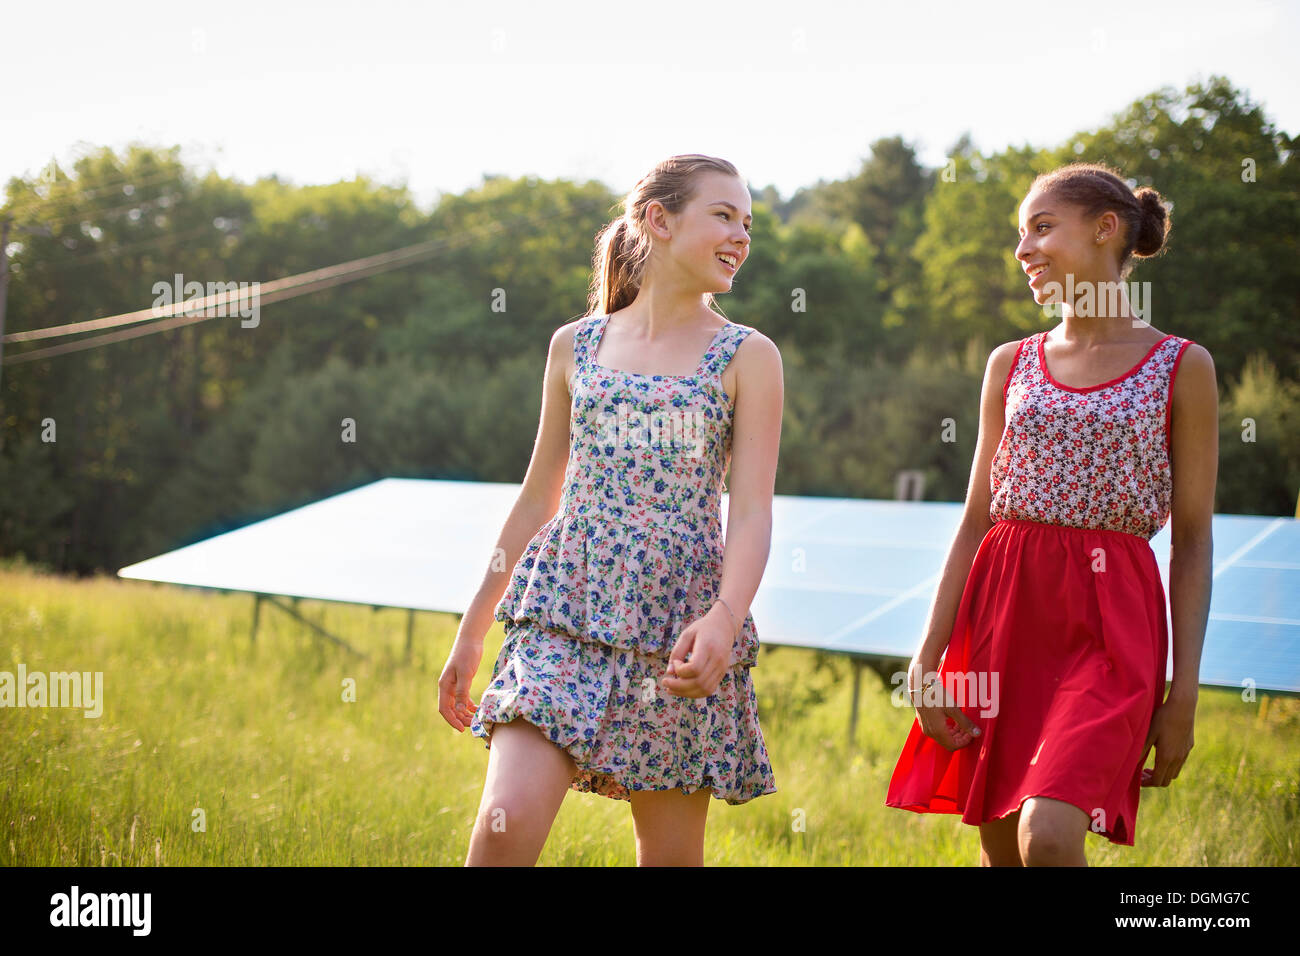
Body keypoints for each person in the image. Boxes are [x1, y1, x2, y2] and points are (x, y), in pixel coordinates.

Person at [438, 154, 784, 866]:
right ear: (658, 219)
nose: (741, 236)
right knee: (502, 824)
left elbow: (750, 512)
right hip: (564, 608)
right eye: (723, 215)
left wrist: (723, 620)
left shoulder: (749, 355)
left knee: (668, 859)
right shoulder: (577, 345)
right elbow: (540, 495)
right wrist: (473, 631)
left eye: (747, 223)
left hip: (677, 625)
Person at [885, 162, 1218, 865]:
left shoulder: (1183, 366)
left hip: (1110, 623)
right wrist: (927, 655)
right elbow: (977, 518)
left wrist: (1182, 691)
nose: (1023, 250)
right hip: (1005, 607)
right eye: (1020, 234)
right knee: (1002, 843)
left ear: (1106, 230)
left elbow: (1191, 541)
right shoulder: (1011, 363)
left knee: (1050, 833)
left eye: (1042, 228)